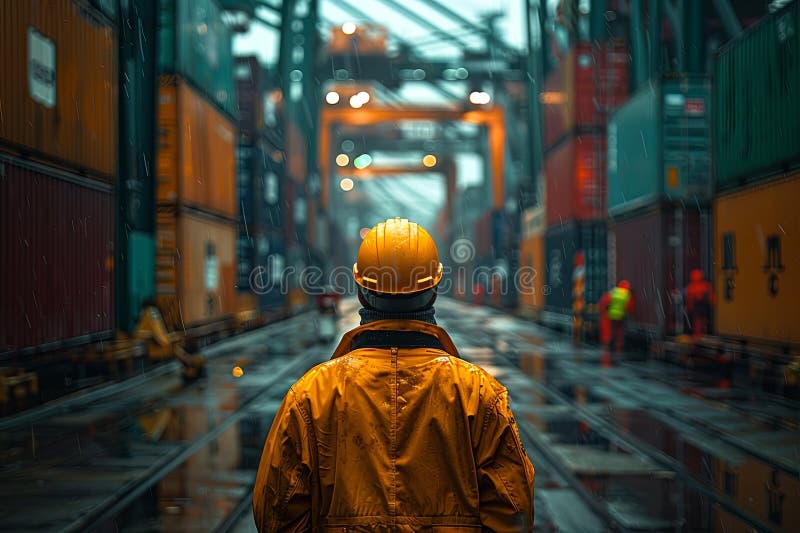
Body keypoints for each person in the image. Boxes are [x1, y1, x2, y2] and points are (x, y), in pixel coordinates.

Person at [253, 217, 535, 532]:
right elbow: (513, 512)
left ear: (361, 292)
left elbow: (276, 515)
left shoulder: (310, 395)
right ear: (434, 290)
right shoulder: (480, 394)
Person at [605, 280, 634, 355]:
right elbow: (629, 306)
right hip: (621, 315)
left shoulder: (614, 291)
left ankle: (611, 343)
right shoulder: (627, 294)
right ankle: (619, 345)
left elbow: (607, 302)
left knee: (613, 330)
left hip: (612, 314)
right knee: (620, 330)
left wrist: (607, 310)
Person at [685, 269, 713, 340]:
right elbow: (689, 298)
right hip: (696, 309)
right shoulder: (691, 287)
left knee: (702, 322)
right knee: (697, 323)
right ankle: (698, 337)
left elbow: (711, 297)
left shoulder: (705, 285)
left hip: (703, 308)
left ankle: (700, 336)